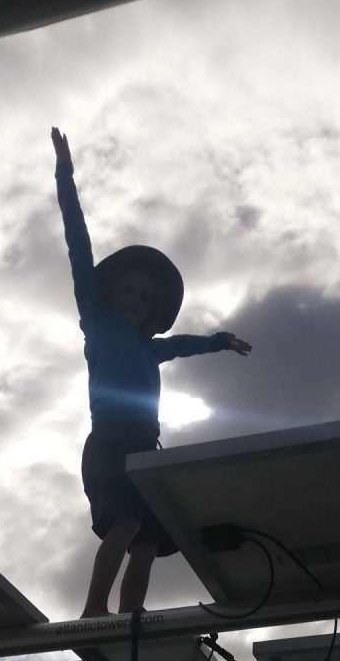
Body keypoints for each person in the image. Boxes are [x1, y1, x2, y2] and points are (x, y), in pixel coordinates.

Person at [52, 127, 251, 617]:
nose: (135, 301)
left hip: (145, 443)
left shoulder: (150, 348)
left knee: (148, 539)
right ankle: (94, 607)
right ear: (109, 294)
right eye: (127, 292)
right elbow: (78, 247)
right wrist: (65, 175)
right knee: (124, 524)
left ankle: (131, 614)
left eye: (144, 298)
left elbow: (181, 346)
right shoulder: (98, 324)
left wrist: (218, 341)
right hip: (111, 439)